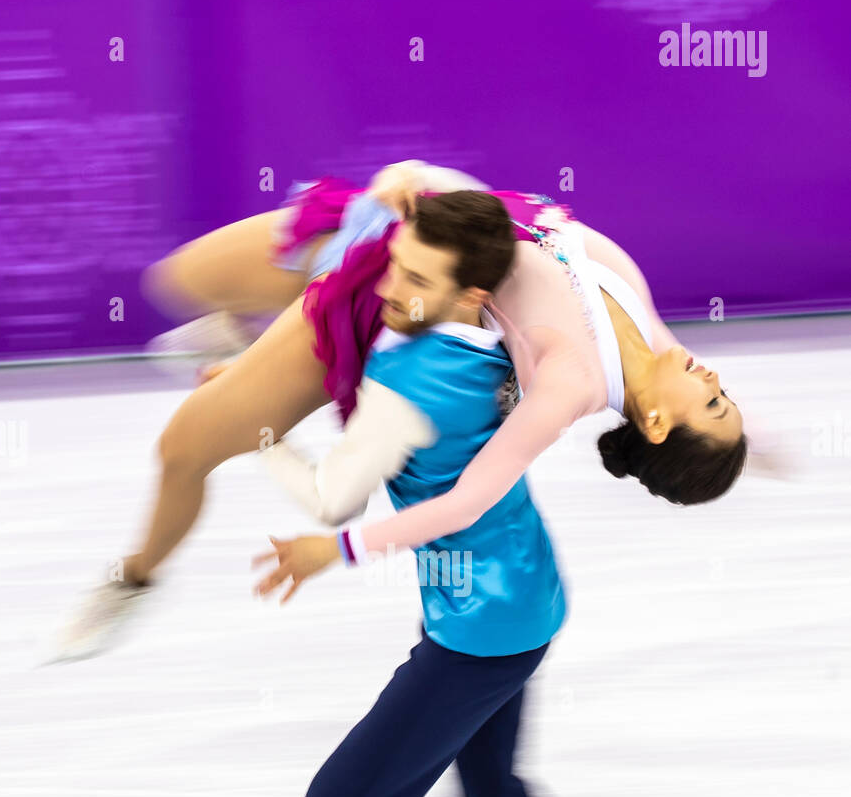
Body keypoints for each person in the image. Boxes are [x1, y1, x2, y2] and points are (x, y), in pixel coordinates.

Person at [218, 192, 611, 797]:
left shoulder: (409, 384)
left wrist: (265, 446)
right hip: (523, 602)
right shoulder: (495, 344)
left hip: (479, 634)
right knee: (494, 794)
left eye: (417, 280)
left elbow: (331, 501)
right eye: (395, 263)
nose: (391, 288)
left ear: (472, 293)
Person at [48, 161, 746, 662]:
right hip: (397, 223)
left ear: (657, 425)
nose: (714, 378)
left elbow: (468, 502)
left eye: (714, 402)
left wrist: (342, 546)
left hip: (382, 299)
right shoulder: (654, 327)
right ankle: (240, 341)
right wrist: (422, 179)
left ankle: (133, 578)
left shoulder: (569, 381)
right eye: (728, 395)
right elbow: (504, 215)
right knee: (179, 280)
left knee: (182, 449)